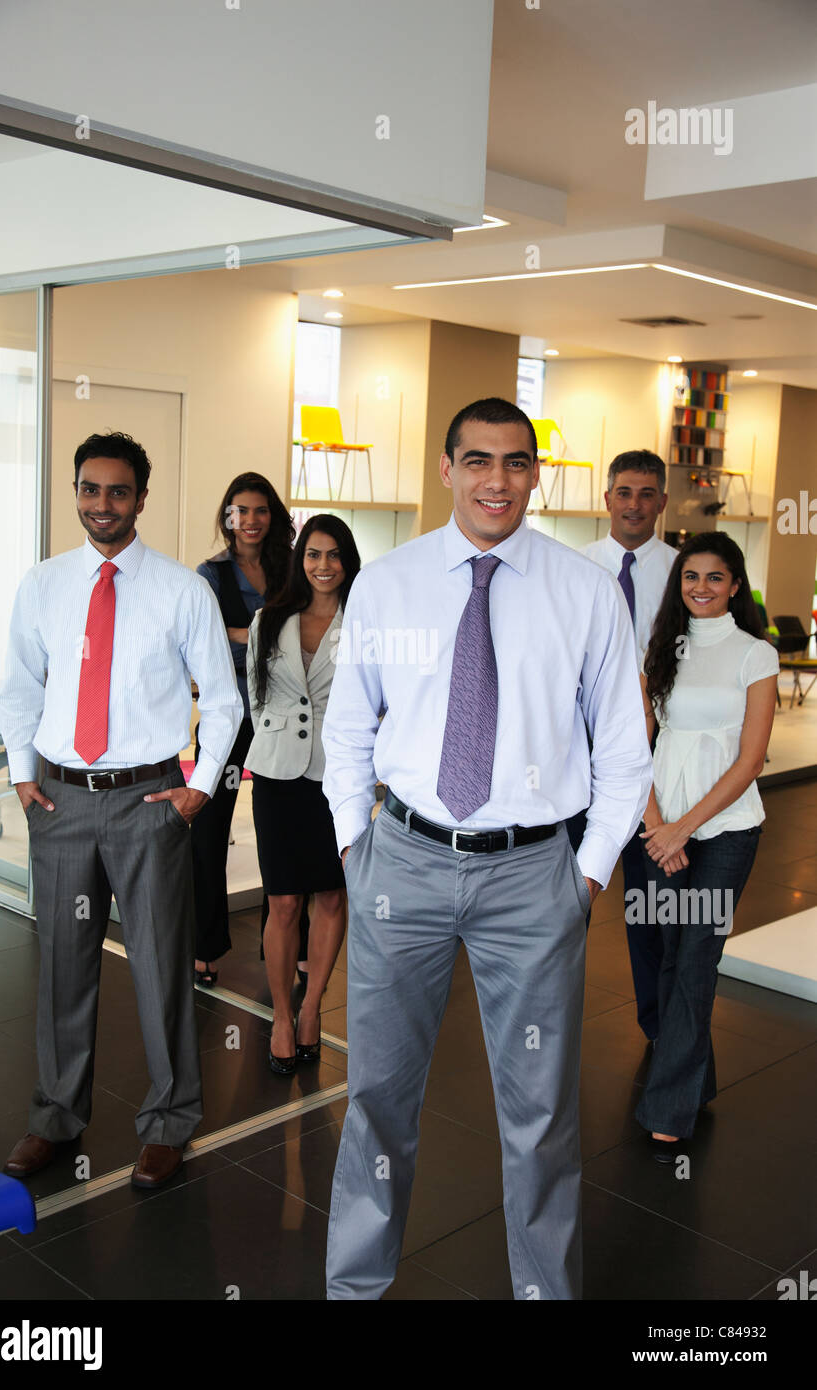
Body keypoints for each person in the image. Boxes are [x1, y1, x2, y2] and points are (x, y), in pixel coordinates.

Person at [321, 397, 653, 1300]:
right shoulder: (388, 583)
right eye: (477, 461)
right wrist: (359, 851)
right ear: (446, 468)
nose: (496, 481)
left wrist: (583, 878)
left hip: (533, 877)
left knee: (540, 1117)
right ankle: (355, 1289)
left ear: (536, 473)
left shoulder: (583, 593)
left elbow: (626, 753)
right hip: (405, 864)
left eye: (515, 462)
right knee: (376, 1102)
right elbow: (347, 729)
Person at [0, 432, 240, 1189]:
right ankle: (55, 1116)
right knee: (63, 967)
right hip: (61, 800)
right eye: (90, 489)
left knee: (162, 969)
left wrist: (197, 790)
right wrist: (21, 775)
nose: (102, 504)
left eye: (118, 491)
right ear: (76, 492)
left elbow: (225, 699)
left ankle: (169, 1122)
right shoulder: (42, 584)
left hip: (149, 801)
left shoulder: (181, 591)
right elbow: (19, 687)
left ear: (141, 496)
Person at [635, 532, 778, 1161]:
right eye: (690, 576)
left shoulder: (757, 655)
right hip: (659, 826)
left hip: (725, 831)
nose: (700, 587)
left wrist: (682, 829)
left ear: (735, 585)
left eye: (714, 577)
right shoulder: (661, 649)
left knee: (695, 960)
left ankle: (668, 1112)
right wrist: (655, 824)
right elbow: (633, 749)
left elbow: (749, 761)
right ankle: (697, 1077)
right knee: (669, 955)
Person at [246, 514, 361, 1075]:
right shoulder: (270, 620)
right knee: (284, 899)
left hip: (337, 778)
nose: (324, 566)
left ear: (348, 562)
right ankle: (283, 1017)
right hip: (276, 777)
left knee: (332, 897)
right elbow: (257, 699)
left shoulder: (364, 624)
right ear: (300, 560)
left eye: (335, 555)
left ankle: (313, 1008)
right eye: (314, 554)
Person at [581, 451, 678, 1040]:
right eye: (624, 492)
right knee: (567, 896)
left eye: (647, 494)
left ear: (662, 502)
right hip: (578, 750)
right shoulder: (575, 566)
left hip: (653, 751)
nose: (634, 504)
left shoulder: (682, 572)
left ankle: (659, 1026)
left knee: (650, 902)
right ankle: (548, 1018)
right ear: (608, 497)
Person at [190, 472, 294, 986]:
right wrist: (268, 634)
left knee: (288, 826)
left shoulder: (290, 569)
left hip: (283, 715)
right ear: (227, 516)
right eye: (240, 510)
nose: (249, 520)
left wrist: (240, 634)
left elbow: (309, 634)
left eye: (259, 510)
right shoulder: (209, 574)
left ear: (271, 516)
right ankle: (205, 941)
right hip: (229, 712)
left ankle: (284, 942)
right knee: (209, 826)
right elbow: (205, 645)